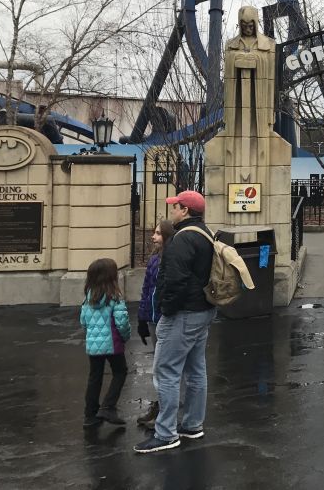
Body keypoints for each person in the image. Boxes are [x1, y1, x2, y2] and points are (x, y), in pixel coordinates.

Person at [134, 190, 216, 454]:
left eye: (175, 206)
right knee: (195, 370)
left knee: (166, 373)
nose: (172, 210)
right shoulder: (205, 234)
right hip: (202, 310)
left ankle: (166, 433)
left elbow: (174, 281)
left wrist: (166, 310)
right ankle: (192, 424)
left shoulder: (181, 240)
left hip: (182, 314)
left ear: (185, 210)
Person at [80, 258, 131, 429]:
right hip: (112, 343)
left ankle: (90, 414)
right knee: (120, 372)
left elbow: (83, 322)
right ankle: (108, 406)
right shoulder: (115, 297)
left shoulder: (88, 298)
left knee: (95, 376)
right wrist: (125, 336)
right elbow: (122, 322)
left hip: (94, 345)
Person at [134, 219, 175, 430]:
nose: (153, 237)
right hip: (152, 318)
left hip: (165, 319)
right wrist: (142, 318)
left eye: (158, 234)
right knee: (160, 367)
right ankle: (161, 405)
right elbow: (146, 291)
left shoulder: (171, 260)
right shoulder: (152, 260)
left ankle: (166, 411)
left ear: (167, 237)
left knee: (163, 368)